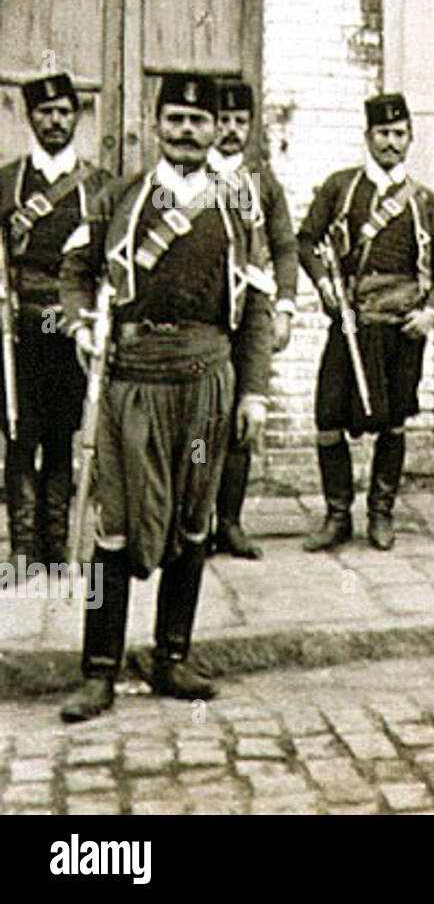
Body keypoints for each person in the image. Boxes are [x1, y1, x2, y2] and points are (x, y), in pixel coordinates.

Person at [58, 72, 274, 722]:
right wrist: (78, 323)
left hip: (207, 383)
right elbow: (75, 271)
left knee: (194, 517)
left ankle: (172, 655)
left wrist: (255, 393)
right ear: (157, 125)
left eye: (198, 121)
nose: (186, 130)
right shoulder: (118, 197)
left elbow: (258, 306)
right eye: (175, 118)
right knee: (114, 524)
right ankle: (98, 670)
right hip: (132, 384)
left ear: (216, 131)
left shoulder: (239, 206)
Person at [298, 93, 434, 552]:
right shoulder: (341, 188)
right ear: (368, 137)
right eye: (383, 134)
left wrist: (431, 312)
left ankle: (381, 514)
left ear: (410, 139)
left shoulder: (424, 201)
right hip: (350, 322)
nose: (391, 142)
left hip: (402, 328)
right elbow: (306, 240)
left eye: (399, 134)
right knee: (328, 415)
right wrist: (325, 288)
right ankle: (337, 516)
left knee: (394, 420)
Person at [0, 73, 112, 565]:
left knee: (64, 433)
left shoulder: (99, 186)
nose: (55, 121)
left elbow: (111, 255)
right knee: (21, 433)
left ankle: (58, 543)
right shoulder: (7, 181)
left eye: (64, 112)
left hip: (68, 324)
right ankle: (24, 547)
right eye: (45, 112)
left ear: (77, 117)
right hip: (19, 326)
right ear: (30, 118)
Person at [206, 80, 299, 560]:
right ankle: (197, 524)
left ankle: (231, 522)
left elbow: (285, 246)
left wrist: (285, 306)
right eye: (222, 121)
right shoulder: (190, 178)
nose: (230, 131)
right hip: (206, 314)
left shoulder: (262, 182)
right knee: (204, 419)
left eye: (239, 122)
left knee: (248, 413)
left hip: (254, 311)